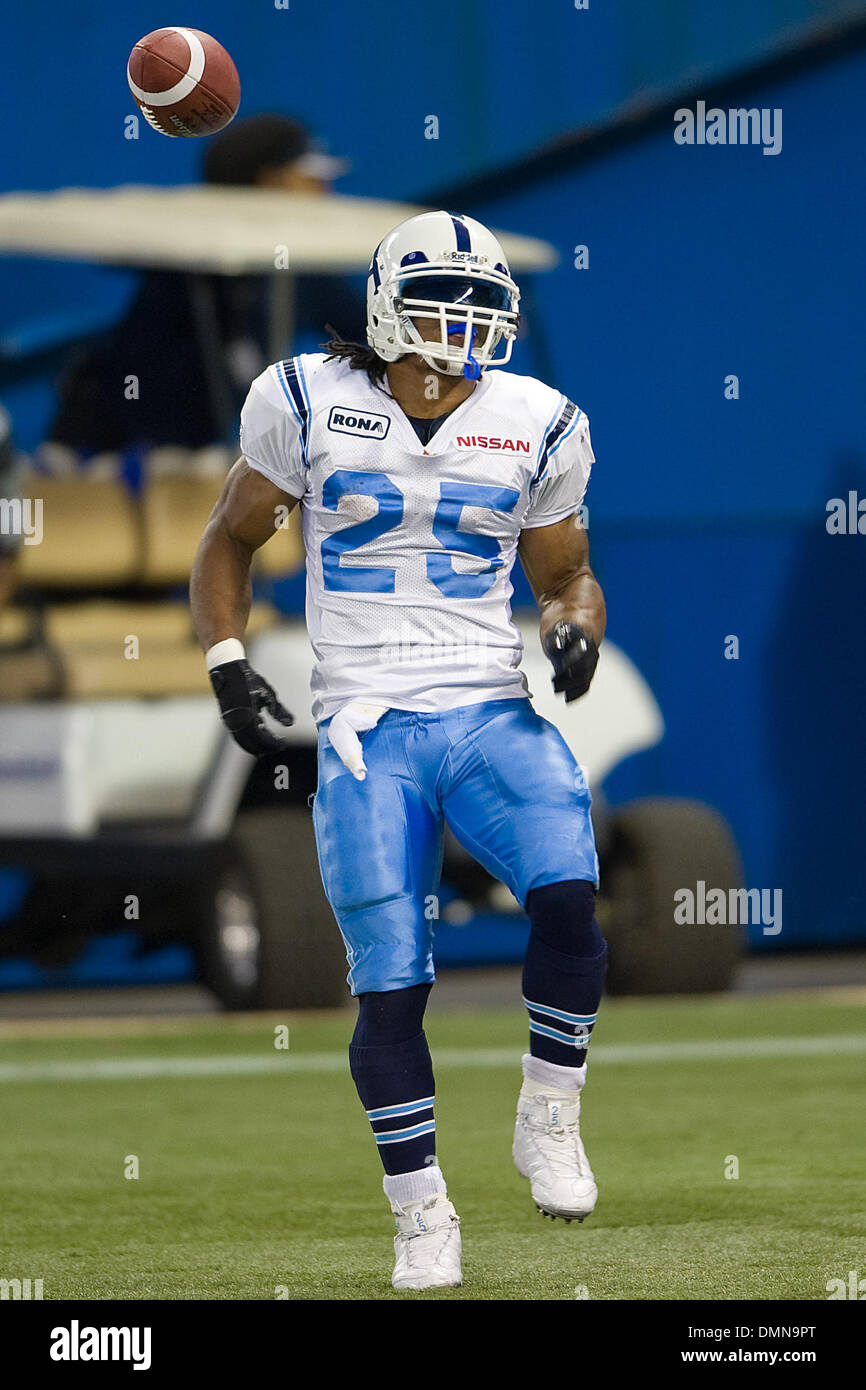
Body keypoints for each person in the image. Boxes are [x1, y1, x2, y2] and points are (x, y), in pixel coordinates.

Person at [190, 211, 608, 1291]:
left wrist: (572, 629)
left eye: (481, 305)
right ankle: (421, 1211)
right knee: (389, 987)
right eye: (441, 301)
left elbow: (565, 576)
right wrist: (227, 657)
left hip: (483, 708)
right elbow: (230, 536)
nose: (463, 327)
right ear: (383, 305)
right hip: (367, 725)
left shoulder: (540, 420)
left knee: (567, 892)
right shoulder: (303, 399)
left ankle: (547, 1109)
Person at [49, 116, 363, 452]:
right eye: (311, 180)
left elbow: (365, 325)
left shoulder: (301, 273)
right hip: (123, 462)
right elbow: (132, 390)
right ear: (269, 184)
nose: (326, 193)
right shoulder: (186, 277)